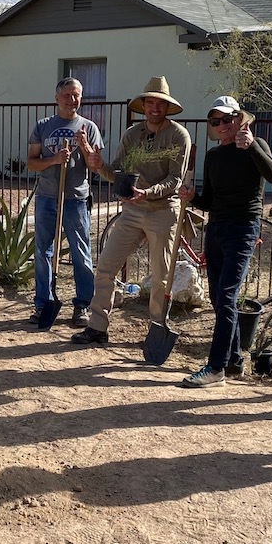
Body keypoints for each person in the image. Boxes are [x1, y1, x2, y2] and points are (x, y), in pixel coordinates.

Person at [73, 76, 191, 346]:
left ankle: (156, 330)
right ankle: (97, 327)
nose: (154, 107)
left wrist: (147, 193)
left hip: (163, 211)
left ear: (166, 107)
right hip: (133, 211)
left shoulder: (177, 135)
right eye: (150, 102)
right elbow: (117, 172)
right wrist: (98, 164)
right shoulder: (133, 134)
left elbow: (175, 179)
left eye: (160, 103)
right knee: (105, 266)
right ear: (144, 105)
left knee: (161, 277)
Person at [177, 96, 272, 386]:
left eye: (226, 119)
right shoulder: (213, 156)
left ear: (238, 119)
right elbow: (209, 200)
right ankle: (233, 362)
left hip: (243, 228)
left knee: (228, 297)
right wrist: (193, 197)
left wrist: (253, 147)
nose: (221, 125)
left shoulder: (255, 147)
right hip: (217, 228)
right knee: (219, 297)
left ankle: (216, 367)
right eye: (215, 121)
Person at [26, 77, 103, 327]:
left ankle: (82, 305)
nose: (72, 99)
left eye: (77, 95)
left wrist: (85, 146)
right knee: (43, 252)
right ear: (57, 98)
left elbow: (96, 164)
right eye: (67, 95)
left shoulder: (88, 127)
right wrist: (54, 160)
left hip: (76, 199)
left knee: (82, 254)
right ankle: (43, 303)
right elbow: (31, 162)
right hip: (47, 197)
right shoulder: (43, 126)